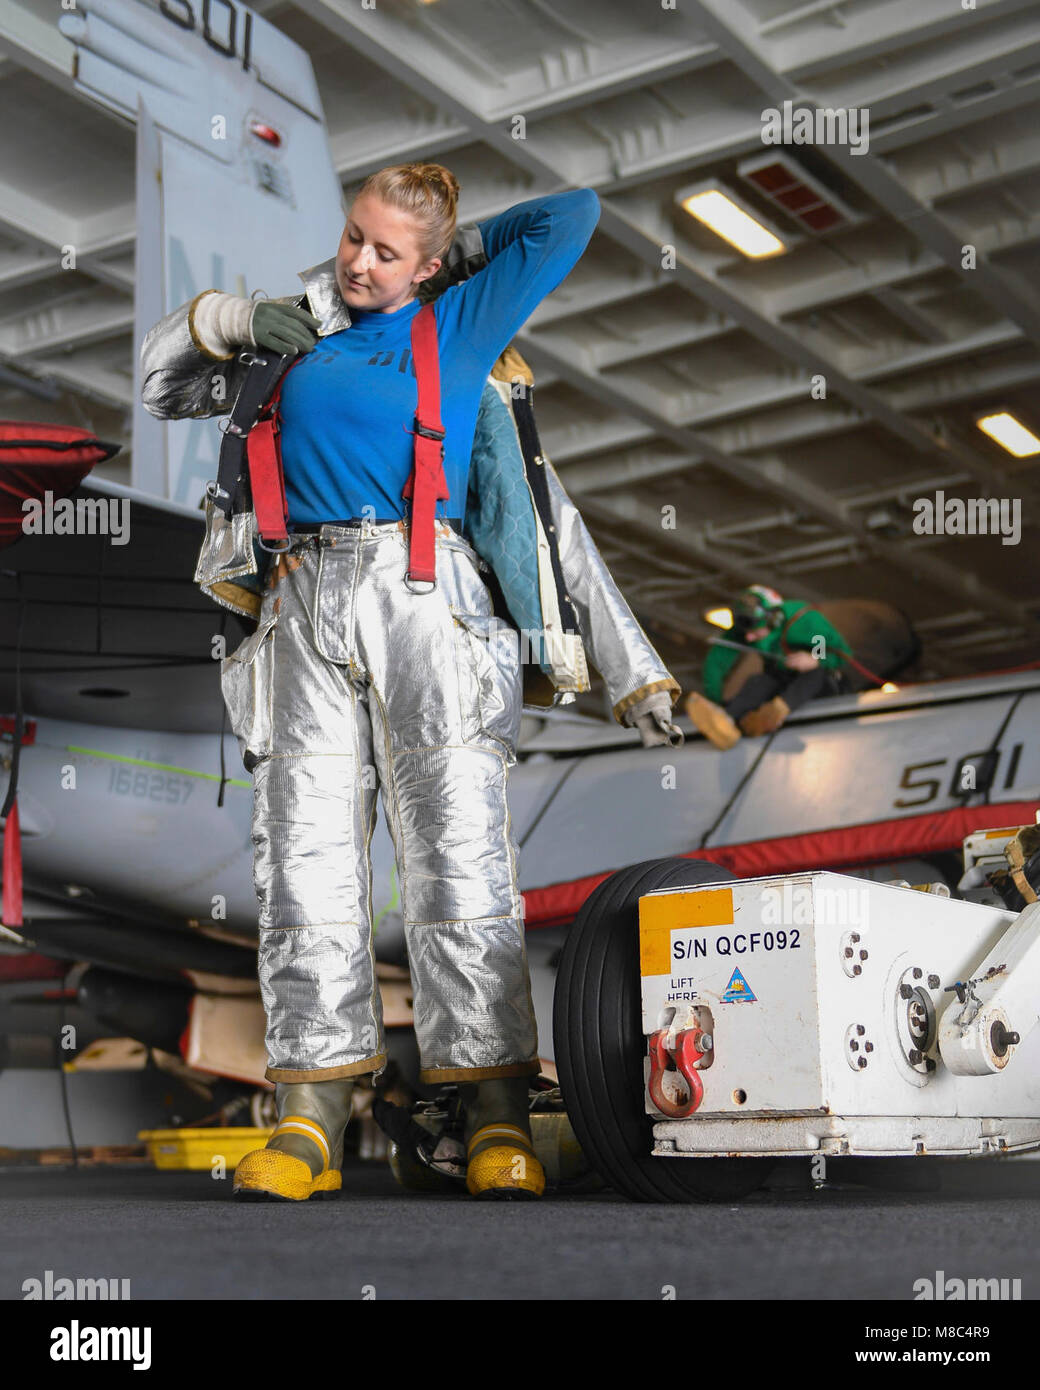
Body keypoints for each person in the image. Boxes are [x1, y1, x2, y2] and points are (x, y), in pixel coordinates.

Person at [140, 164, 683, 1201]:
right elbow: (165, 382)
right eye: (352, 236)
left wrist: (462, 259)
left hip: (424, 595)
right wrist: (225, 313)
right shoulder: (286, 330)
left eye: (388, 251)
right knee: (301, 872)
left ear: (428, 263)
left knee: (458, 868)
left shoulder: (459, 323)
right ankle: (308, 1114)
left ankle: (491, 1116)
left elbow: (570, 217)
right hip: (298, 598)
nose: (358, 261)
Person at [686, 584, 852, 750]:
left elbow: (842, 654)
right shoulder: (747, 627)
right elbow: (716, 663)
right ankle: (727, 720)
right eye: (746, 633)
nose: (749, 637)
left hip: (821, 684)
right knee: (758, 681)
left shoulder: (807, 622)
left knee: (815, 674)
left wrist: (816, 659)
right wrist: (716, 701)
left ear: (774, 620)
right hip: (781, 679)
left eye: (755, 632)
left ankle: (778, 710)